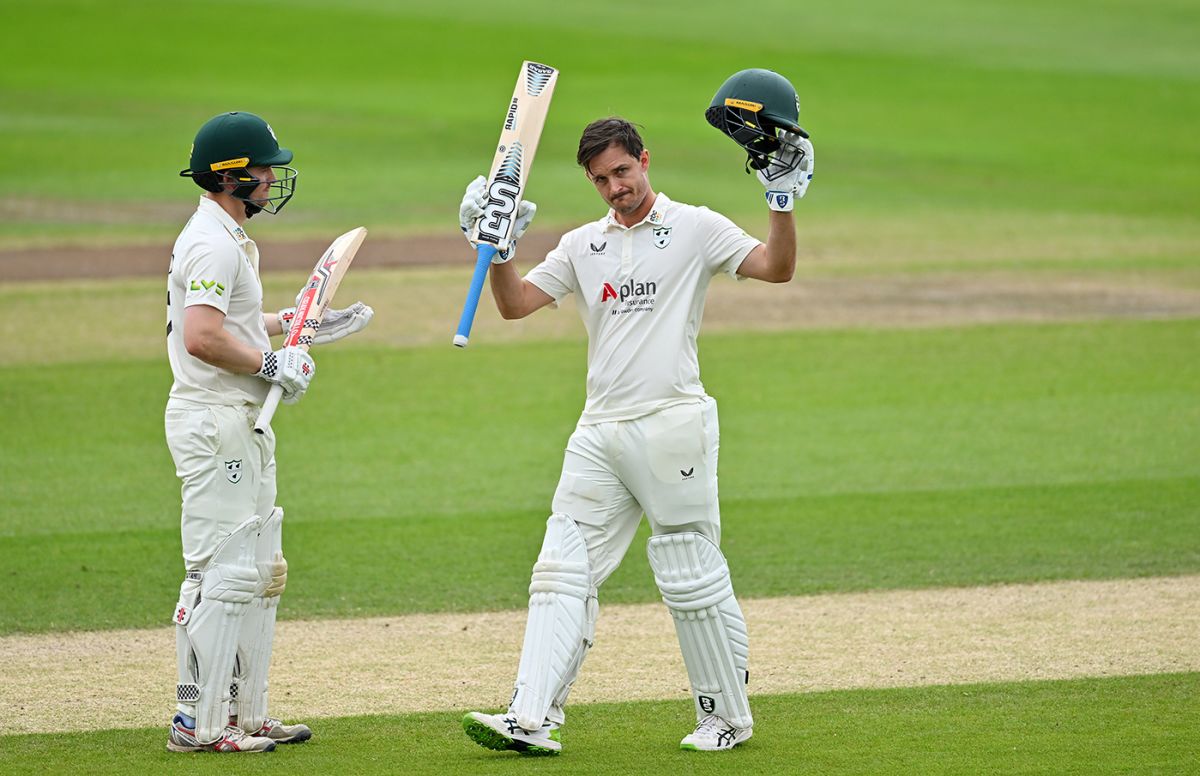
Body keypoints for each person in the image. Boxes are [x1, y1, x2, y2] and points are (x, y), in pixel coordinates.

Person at [458, 69, 814, 755]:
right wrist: (496, 247)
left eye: (623, 172)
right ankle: (531, 717)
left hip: (672, 423)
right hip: (598, 431)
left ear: (644, 161)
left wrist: (781, 201)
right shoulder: (580, 245)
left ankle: (726, 719)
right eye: (601, 180)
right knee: (560, 568)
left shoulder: (694, 227)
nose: (616, 188)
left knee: (688, 572)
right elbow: (512, 305)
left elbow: (776, 267)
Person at [165, 111, 373, 753]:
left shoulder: (227, 238)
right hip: (216, 421)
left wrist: (294, 324)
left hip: (243, 422)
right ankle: (195, 724)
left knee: (259, 570)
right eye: (261, 169)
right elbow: (200, 337)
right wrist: (271, 361)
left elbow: (228, 322)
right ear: (230, 176)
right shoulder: (213, 242)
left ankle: (245, 715)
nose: (271, 178)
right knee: (217, 575)